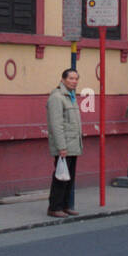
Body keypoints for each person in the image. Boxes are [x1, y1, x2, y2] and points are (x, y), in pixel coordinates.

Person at [46, 68, 83, 218]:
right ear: (63, 79)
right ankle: (54, 207)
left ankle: (66, 205)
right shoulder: (57, 97)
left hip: (73, 145)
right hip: (65, 146)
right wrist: (61, 147)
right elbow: (56, 125)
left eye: (76, 79)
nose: (74, 82)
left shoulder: (70, 96)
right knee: (60, 177)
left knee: (69, 177)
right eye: (71, 79)